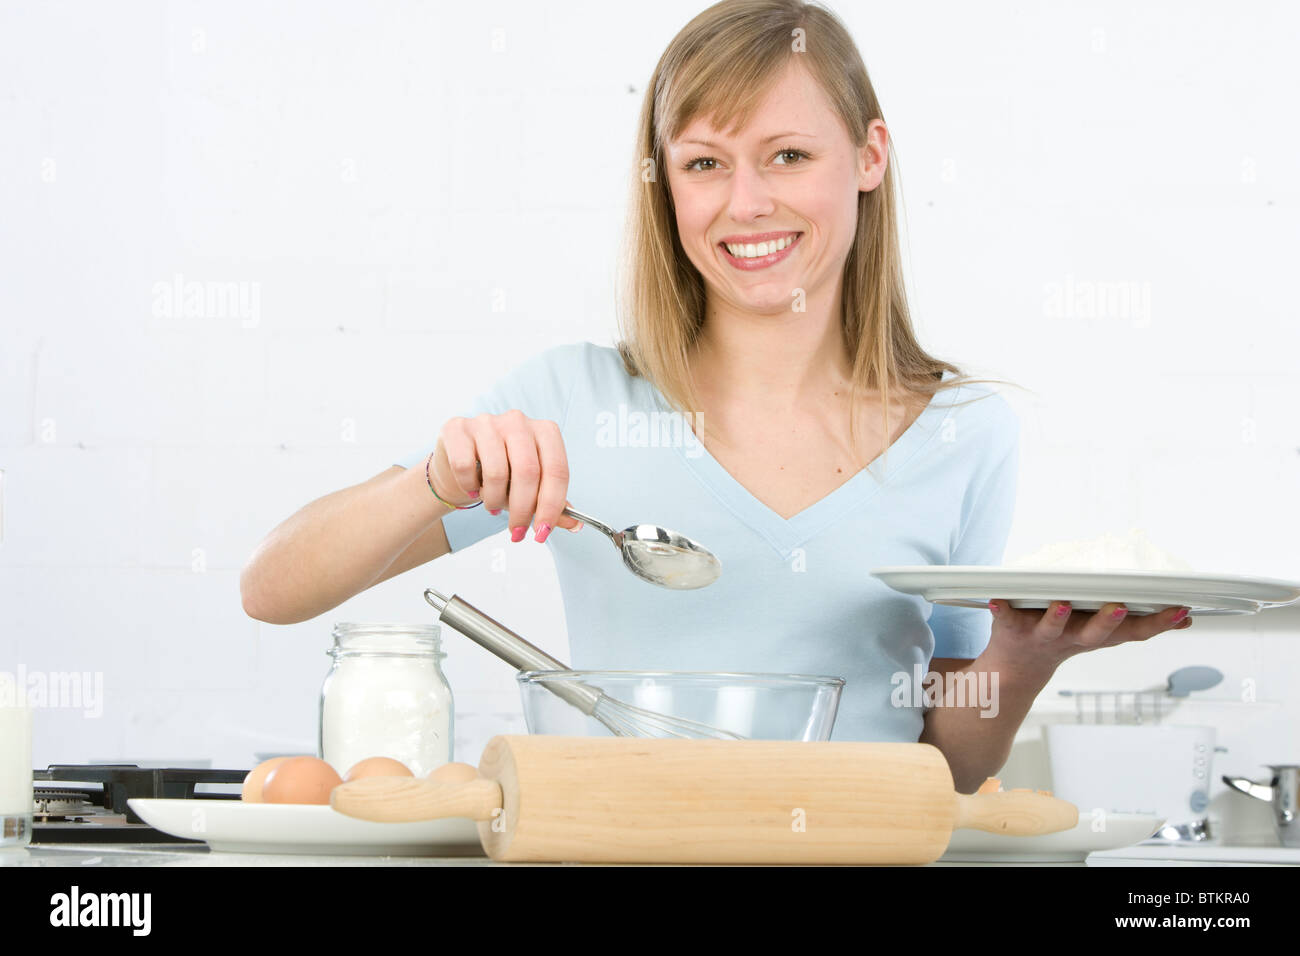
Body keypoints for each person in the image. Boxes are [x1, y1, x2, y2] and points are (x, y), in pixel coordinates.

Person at [241, 0, 1191, 792]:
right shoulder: (571, 397)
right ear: (667, 189)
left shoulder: (964, 432)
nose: (746, 204)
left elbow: (942, 769)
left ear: (868, 157)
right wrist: (433, 485)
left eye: (787, 156)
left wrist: (1021, 665)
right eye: (704, 163)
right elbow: (273, 589)